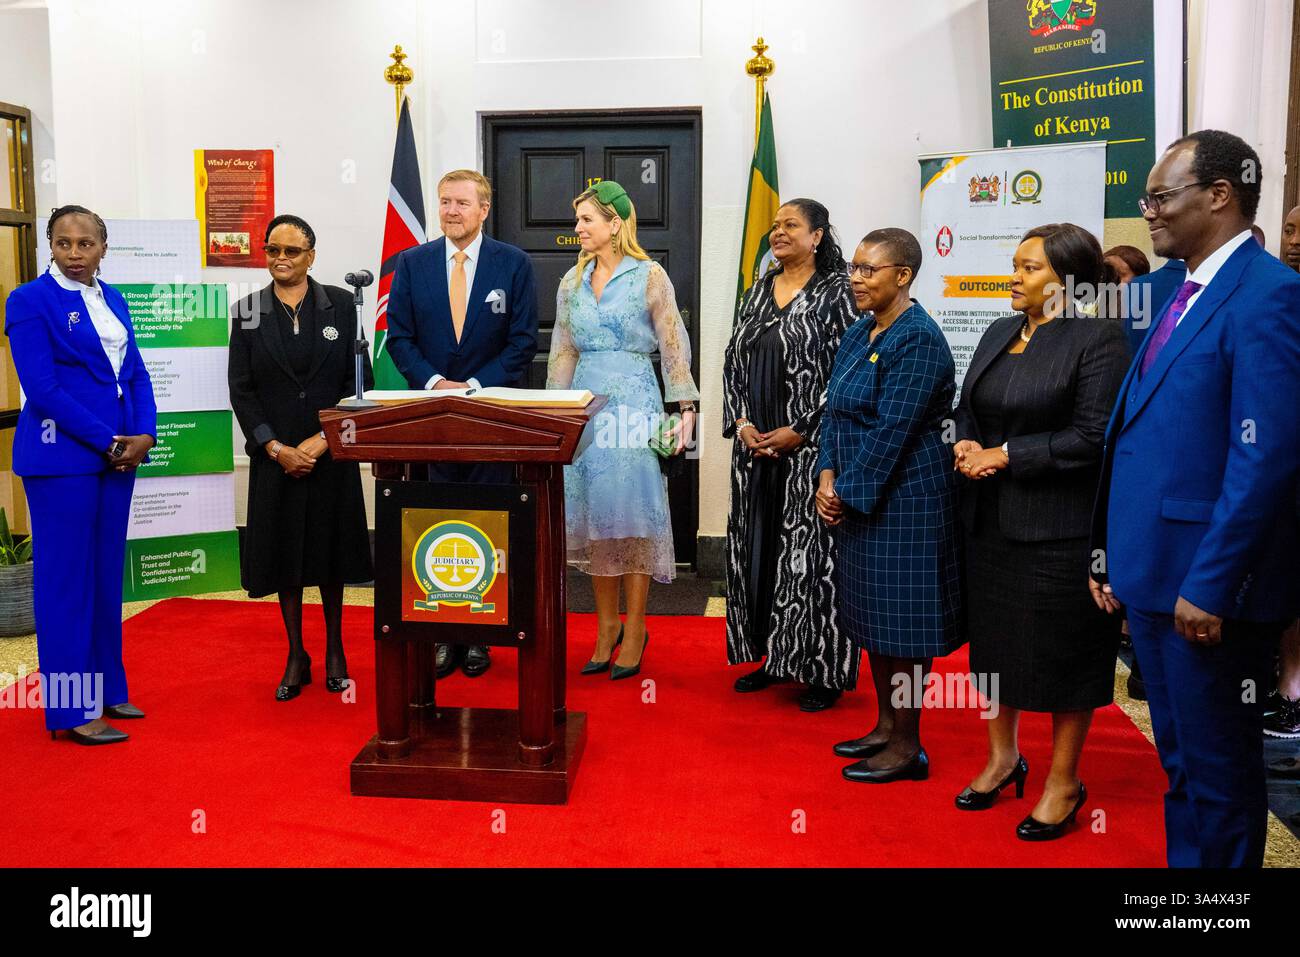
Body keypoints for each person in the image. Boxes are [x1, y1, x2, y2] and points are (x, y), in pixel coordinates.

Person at [1090, 130, 1300, 867]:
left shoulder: (1271, 297)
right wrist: (1108, 552)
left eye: (1160, 195)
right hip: (1149, 575)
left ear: (1220, 195)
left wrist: (1210, 584)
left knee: (1220, 777)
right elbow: (1134, 431)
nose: (1146, 210)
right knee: (1180, 766)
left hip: (1210, 594)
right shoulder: (1163, 294)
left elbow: (1265, 457)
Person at [952, 223, 1130, 840]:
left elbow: (1091, 437)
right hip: (989, 524)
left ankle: (1064, 782)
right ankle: (1003, 758)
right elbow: (967, 406)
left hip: (1058, 531)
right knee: (995, 652)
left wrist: (1005, 455)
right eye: (1015, 264)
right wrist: (969, 440)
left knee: (1063, 658)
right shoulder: (1002, 330)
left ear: (1068, 281)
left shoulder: (1100, 338)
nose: (1014, 276)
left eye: (1029, 268)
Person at [816, 228, 963, 781]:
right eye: (853, 267)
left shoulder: (918, 338)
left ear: (902, 276)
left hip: (905, 501)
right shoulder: (860, 332)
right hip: (856, 494)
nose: (855, 278)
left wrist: (845, 494)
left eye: (868, 269)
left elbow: (892, 431)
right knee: (874, 620)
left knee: (903, 628)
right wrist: (826, 475)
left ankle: (908, 746)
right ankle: (883, 726)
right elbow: (833, 411)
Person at [4, 205, 155, 743]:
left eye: (85, 243)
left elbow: (133, 371)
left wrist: (145, 433)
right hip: (61, 460)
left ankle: (109, 688)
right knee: (65, 584)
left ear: (102, 247)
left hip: (117, 458)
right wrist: (107, 439)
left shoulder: (113, 298)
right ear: (50, 244)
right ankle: (70, 711)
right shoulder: (27, 301)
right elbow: (42, 390)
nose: (74, 252)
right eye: (63, 243)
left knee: (104, 575)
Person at [385, 169, 539, 678]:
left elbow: (522, 343)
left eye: (461, 203)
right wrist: (433, 383)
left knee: (486, 524)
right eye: (444, 202)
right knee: (433, 522)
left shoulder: (512, 264)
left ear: (484, 209)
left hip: (489, 419)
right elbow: (400, 337)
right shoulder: (411, 263)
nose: (451, 211)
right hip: (429, 419)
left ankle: (481, 635)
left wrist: (472, 387)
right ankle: (441, 633)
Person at [546, 180, 698, 680]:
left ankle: (636, 628)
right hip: (585, 407)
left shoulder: (649, 276)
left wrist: (685, 409)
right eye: (577, 220)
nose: (577, 229)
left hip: (634, 403)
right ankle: (605, 625)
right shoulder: (571, 281)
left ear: (615, 223)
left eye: (586, 219)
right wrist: (555, 412)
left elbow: (674, 343)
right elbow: (563, 349)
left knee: (631, 516)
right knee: (594, 516)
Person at [228, 214, 374, 701]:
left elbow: (359, 386)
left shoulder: (341, 306)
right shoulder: (248, 311)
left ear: (312, 255)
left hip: (328, 455)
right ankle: (297, 653)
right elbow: (242, 392)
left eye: (292, 251)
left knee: (331, 558)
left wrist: (322, 441)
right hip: (277, 460)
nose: (281, 260)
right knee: (285, 558)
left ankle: (335, 648)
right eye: (273, 250)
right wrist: (274, 447)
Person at [722, 198, 859, 712]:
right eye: (775, 225)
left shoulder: (839, 291)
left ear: (818, 235)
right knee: (759, 553)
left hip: (812, 451)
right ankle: (771, 657)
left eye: (791, 225)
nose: (778, 232)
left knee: (812, 559)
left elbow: (848, 371)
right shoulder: (758, 289)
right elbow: (733, 360)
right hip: (756, 451)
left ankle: (819, 670)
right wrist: (743, 423)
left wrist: (801, 430)